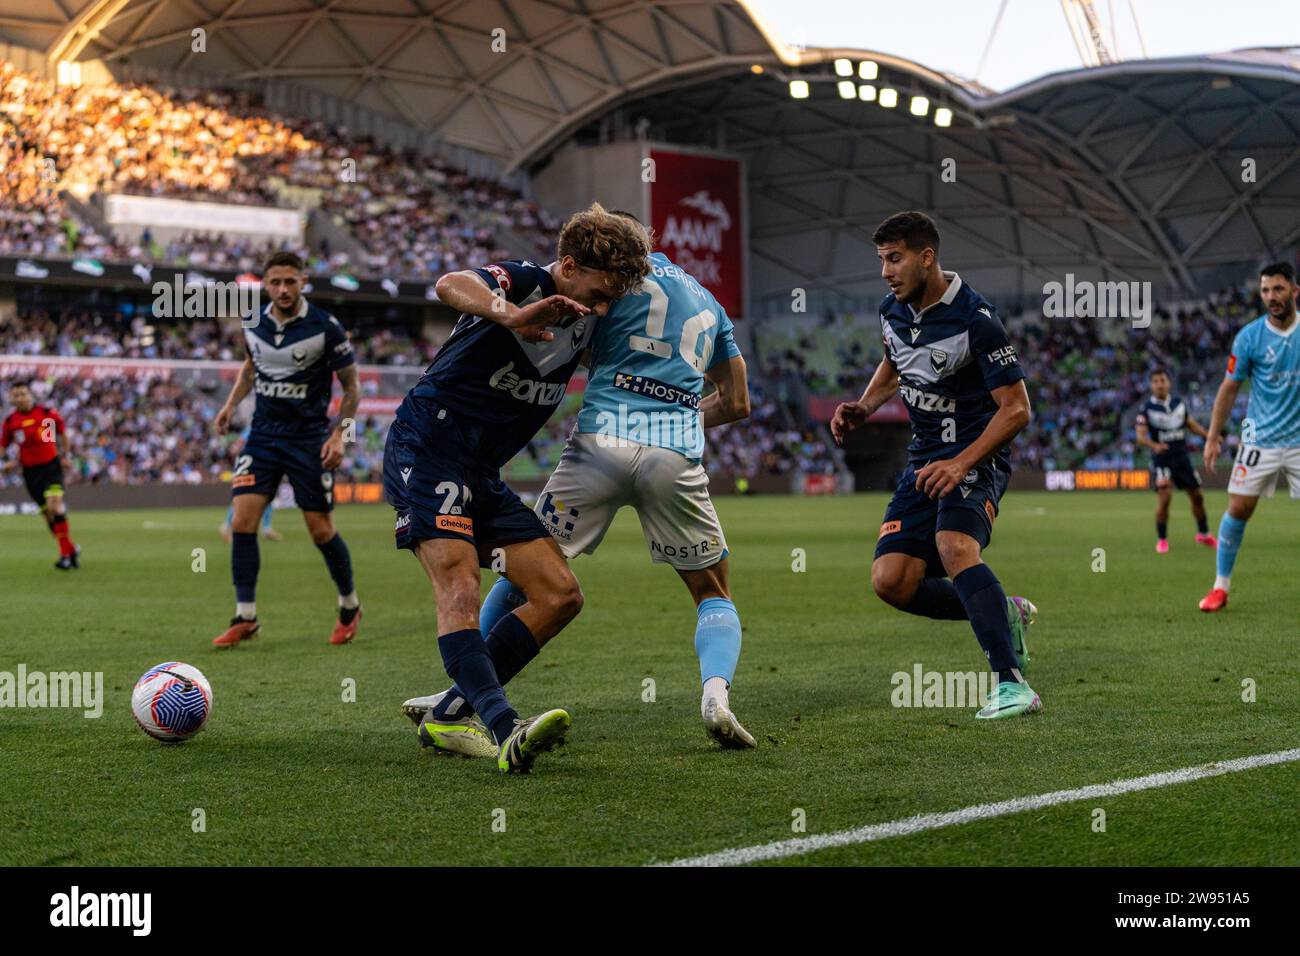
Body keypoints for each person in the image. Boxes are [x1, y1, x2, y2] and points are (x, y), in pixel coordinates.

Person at [405, 226, 756, 750]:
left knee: (529, 572)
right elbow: (737, 403)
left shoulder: (614, 286)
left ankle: (460, 697)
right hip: (674, 454)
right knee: (712, 591)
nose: (603, 300)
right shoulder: (711, 304)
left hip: (599, 444)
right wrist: (677, 418)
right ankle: (716, 697)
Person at [383, 202, 652, 773]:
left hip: (480, 473)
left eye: (611, 299)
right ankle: (507, 730)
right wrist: (509, 314)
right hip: (430, 446)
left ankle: (450, 713)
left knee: (560, 596)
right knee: (460, 584)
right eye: (598, 292)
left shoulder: (594, 317)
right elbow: (450, 283)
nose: (603, 308)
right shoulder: (526, 280)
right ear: (568, 264)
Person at [831, 211, 1040, 720]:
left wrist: (961, 463)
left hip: (976, 454)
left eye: (895, 258)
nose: (886, 270)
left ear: (927, 257)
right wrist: (865, 404)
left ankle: (1012, 684)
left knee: (953, 547)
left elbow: (1017, 409)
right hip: (924, 458)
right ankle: (1002, 609)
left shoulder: (977, 319)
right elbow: (894, 361)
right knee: (892, 581)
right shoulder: (892, 311)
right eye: (882, 259)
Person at [210, 251, 363, 647]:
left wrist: (339, 436)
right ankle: (245, 615)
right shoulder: (253, 323)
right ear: (265, 284)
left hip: (308, 440)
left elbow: (351, 389)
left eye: (290, 281)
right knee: (243, 522)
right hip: (262, 436)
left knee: (320, 529)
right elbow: (250, 366)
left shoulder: (326, 327)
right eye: (275, 282)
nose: (282, 289)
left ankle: (349, 604)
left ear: (303, 281)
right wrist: (230, 405)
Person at [1198, 261, 1300, 612]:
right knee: (1238, 507)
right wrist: (1213, 436)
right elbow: (1229, 389)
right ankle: (1220, 587)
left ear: (1294, 291)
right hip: (1260, 438)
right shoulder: (1249, 337)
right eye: (1266, 291)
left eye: (1278, 289)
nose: (1271, 297)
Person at [1134, 367, 1215, 553]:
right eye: (1155, 381)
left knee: (1197, 496)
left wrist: (1209, 435)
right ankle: (1162, 540)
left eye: (1162, 380)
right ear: (1151, 386)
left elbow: (1190, 424)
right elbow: (1140, 436)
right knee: (1165, 497)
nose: (1159, 384)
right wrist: (1154, 446)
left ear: (1169, 383)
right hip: (1162, 459)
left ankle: (1203, 534)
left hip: (1182, 458)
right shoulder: (1146, 409)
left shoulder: (1179, 404)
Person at [1, 381, 80, 569]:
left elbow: (61, 435)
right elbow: (3, 446)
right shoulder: (11, 422)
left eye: (23, 394)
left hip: (50, 468)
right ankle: (70, 549)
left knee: (55, 506)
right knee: (48, 515)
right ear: (11, 398)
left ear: (30, 395)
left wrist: (66, 456)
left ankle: (65, 557)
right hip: (30, 472)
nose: (20, 397)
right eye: (16, 395)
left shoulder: (46, 414)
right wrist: (7, 463)